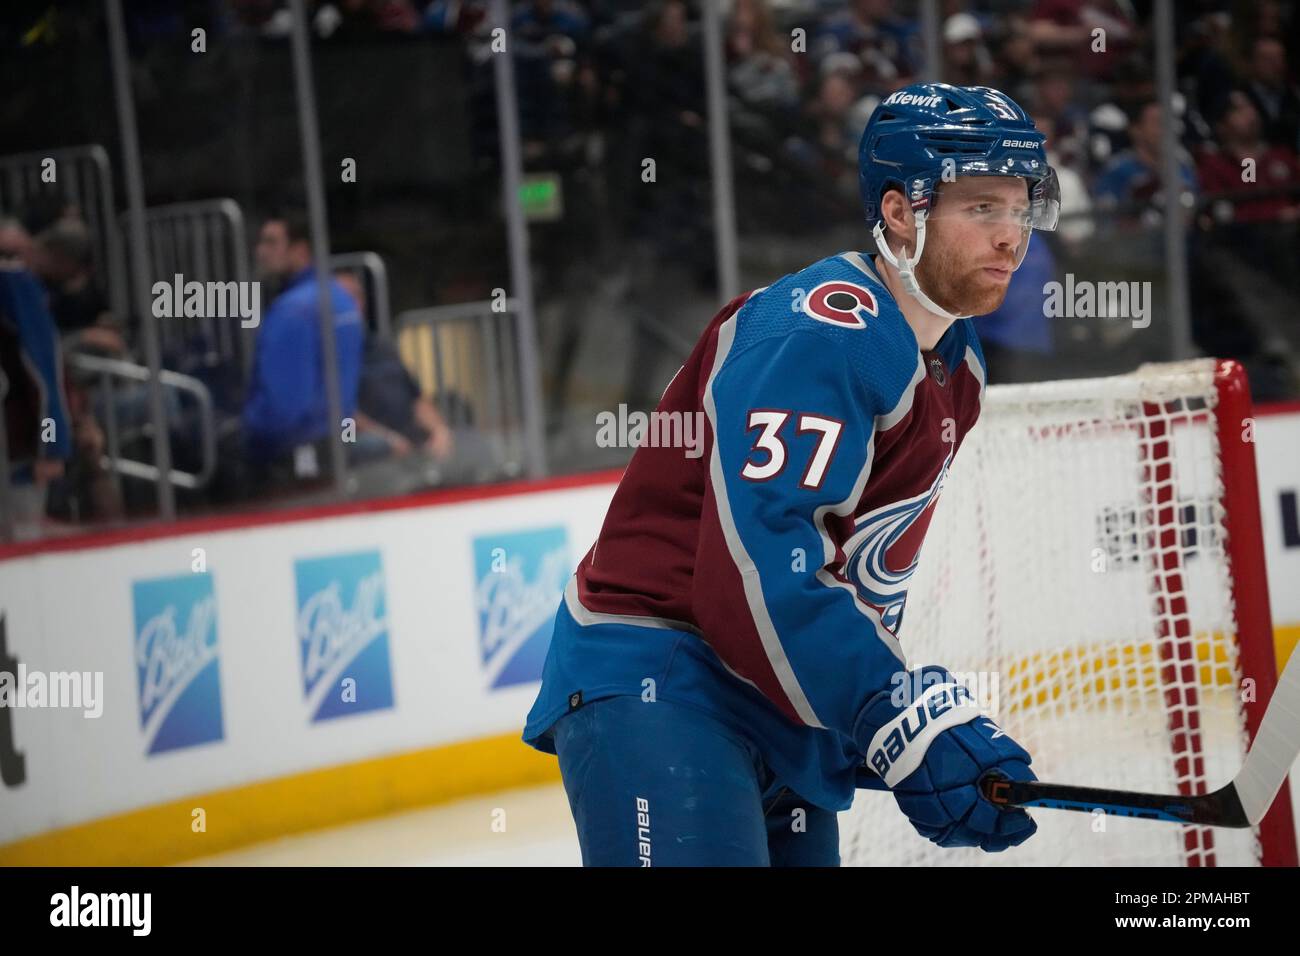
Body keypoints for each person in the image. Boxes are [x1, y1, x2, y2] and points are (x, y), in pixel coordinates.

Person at [522, 83, 1055, 866]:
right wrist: (889, 710)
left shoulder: (958, 364)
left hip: (776, 694)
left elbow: (856, 567)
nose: (1011, 237)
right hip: (663, 678)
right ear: (901, 213)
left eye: (1019, 209)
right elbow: (757, 570)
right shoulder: (819, 334)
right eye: (981, 208)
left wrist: (883, 723)